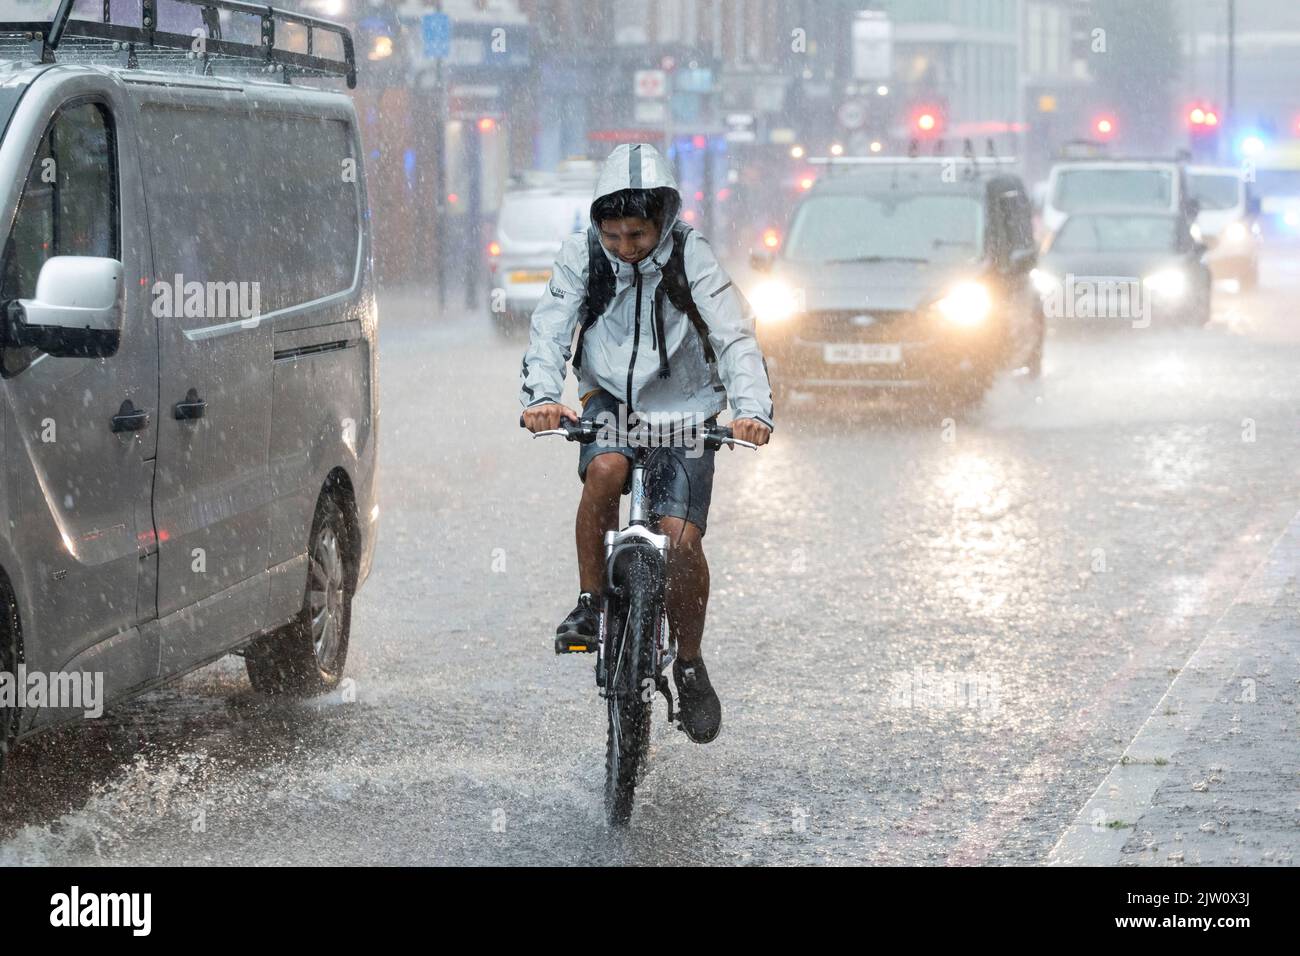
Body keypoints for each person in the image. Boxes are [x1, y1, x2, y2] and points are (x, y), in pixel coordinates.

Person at [519, 143, 774, 744]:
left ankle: (687, 663)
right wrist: (540, 397)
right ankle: (588, 601)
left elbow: (735, 335)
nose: (626, 246)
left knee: (680, 542)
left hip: (687, 406)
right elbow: (551, 327)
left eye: (637, 234)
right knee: (604, 469)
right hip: (609, 398)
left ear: (662, 221)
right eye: (614, 235)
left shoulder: (692, 256)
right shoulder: (583, 255)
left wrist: (751, 411)